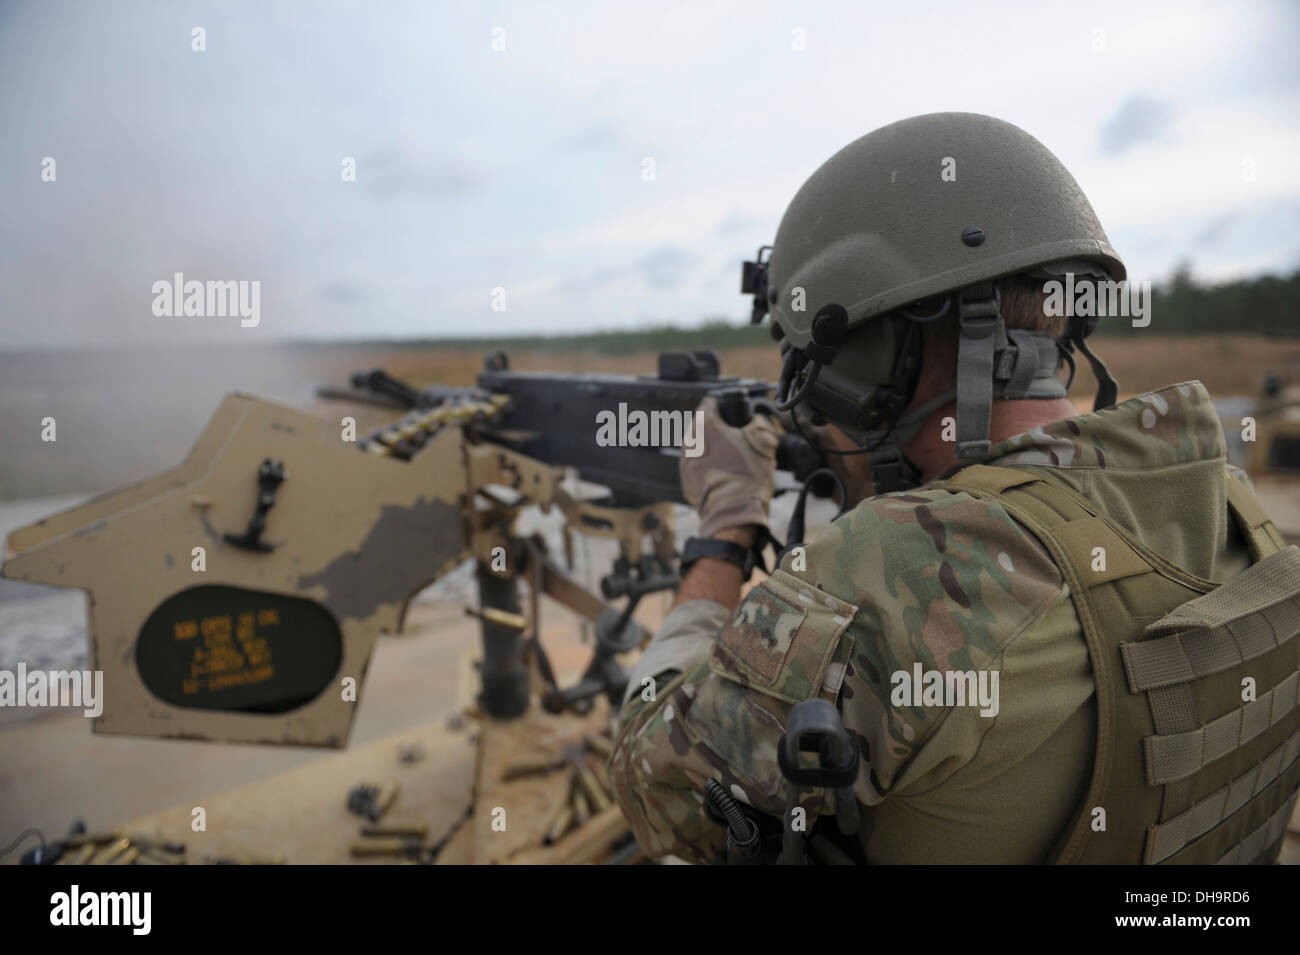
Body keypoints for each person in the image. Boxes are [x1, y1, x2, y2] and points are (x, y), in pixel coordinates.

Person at [608, 113, 1300, 864]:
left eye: (811, 368)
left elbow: (658, 793)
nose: (805, 402)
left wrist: (724, 524)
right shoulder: (1230, 505)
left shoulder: (904, 564)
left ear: (868, 358)